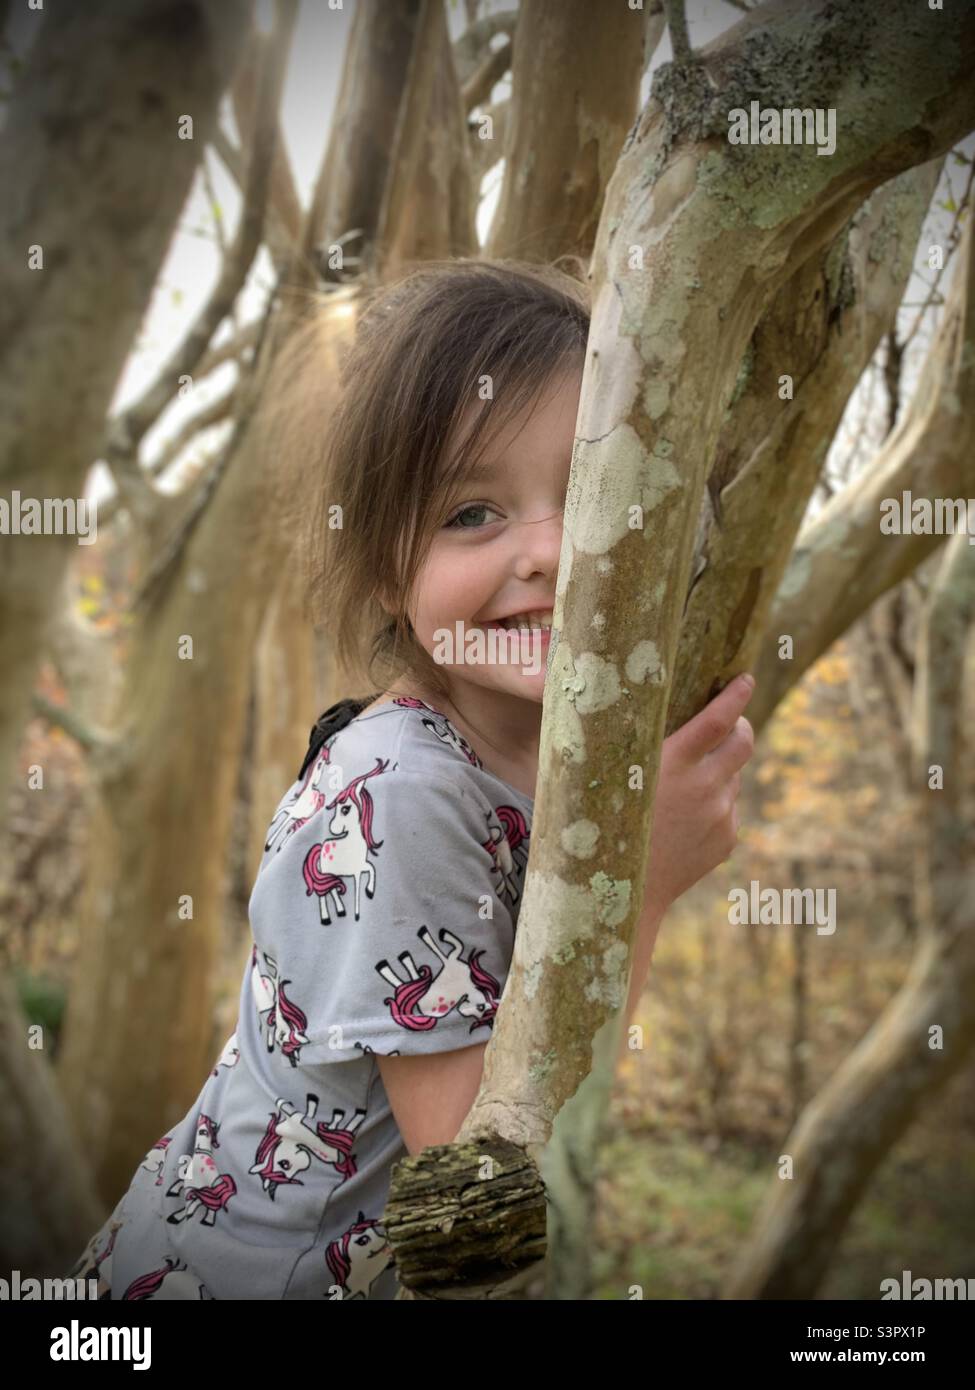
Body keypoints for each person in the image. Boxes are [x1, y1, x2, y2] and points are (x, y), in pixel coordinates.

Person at [64, 258, 755, 1300]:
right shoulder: (405, 793)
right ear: (388, 568)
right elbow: (475, 1185)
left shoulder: (519, 756)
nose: (549, 552)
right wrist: (641, 882)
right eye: (472, 512)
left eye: (592, 495)